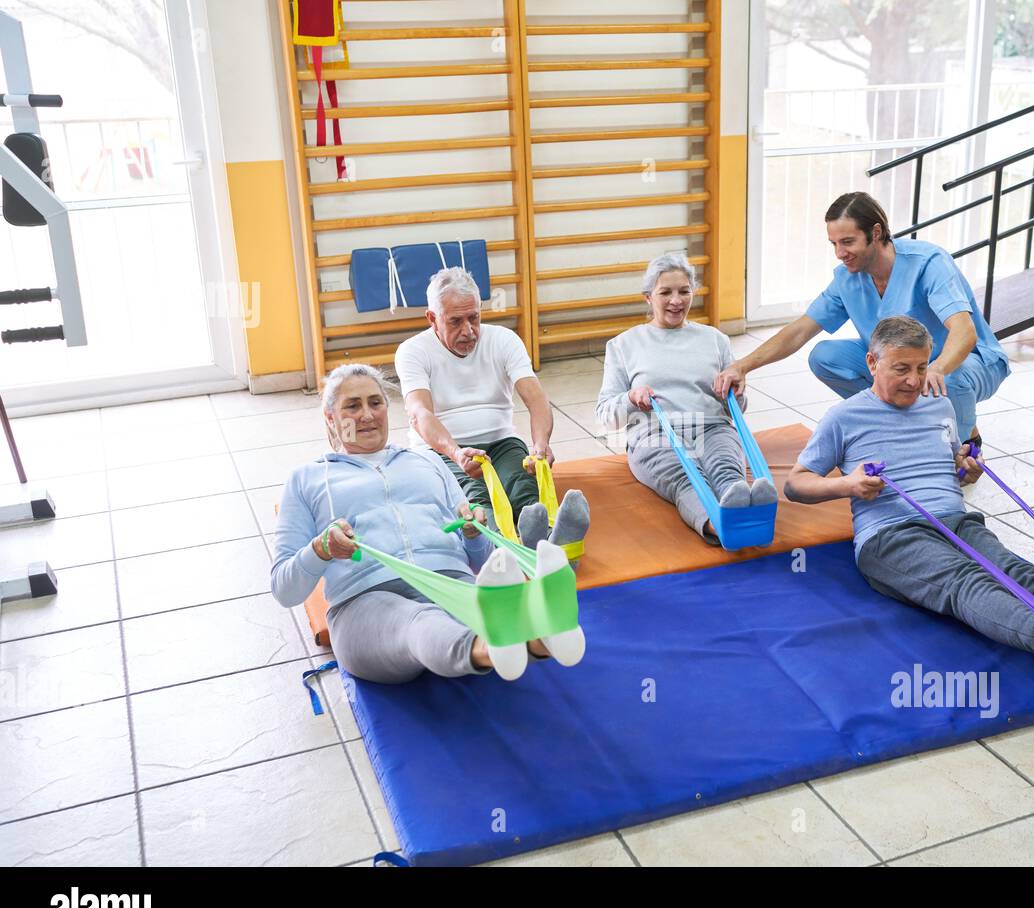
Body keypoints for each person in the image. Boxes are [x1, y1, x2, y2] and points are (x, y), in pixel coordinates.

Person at [784, 316, 1034, 679]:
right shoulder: (843, 417)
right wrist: (847, 486)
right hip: (891, 535)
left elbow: (950, 469)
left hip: (957, 521)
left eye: (921, 367)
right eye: (901, 369)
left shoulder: (940, 404)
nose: (915, 380)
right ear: (872, 362)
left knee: (1015, 571)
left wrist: (964, 471)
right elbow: (796, 484)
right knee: (968, 582)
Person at [271, 363, 588, 683]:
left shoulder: (426, 461)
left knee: (484, 602)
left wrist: (473, 534)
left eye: (375, 402)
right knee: (420, 621)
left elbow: (483, 560)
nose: (367, 415)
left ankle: (545, 638)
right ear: (330, 418)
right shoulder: (307, 479)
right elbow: (284, 589)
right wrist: (320, 549)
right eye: (352, 406)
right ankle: (492, 649)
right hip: (366, 601)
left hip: (450, 586)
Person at [716, 191, 1011, 444]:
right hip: (902, 363)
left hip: (970, 361)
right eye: (834, 244)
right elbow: (800, 330)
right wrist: (742, 366)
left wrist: (936, 368)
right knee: (825, 356)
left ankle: (963, 439)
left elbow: (964, 331)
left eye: (847, 242)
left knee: (949, 378)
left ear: (877, 233)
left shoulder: (929, 263)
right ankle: (894, 421)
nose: (840, 253)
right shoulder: (848, 278)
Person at [395, 265, 588, 552]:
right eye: (456, 322)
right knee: (475, 497)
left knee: (524, 486)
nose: (468, 331)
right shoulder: (413, 351)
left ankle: (546, 540)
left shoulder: (503, 339)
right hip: (444, 450)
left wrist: (540, 446)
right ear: (432, 318)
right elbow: (419, 414)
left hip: (501, 443)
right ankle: (501, 547)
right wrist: (457, 453)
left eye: (474, 318)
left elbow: (535, 397)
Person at [595, 253, 778, 544]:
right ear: (647, 298)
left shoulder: (715, 339)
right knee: (686, 480)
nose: (676, 301)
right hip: (655, 434)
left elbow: (735, 411)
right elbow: (606, 415)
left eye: (684, 291)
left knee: (727, 472)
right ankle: (718, 526)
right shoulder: (622, 345)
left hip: (712, 426)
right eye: (665, 292)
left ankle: (745, 506)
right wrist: (631, 397)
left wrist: (737, 391)